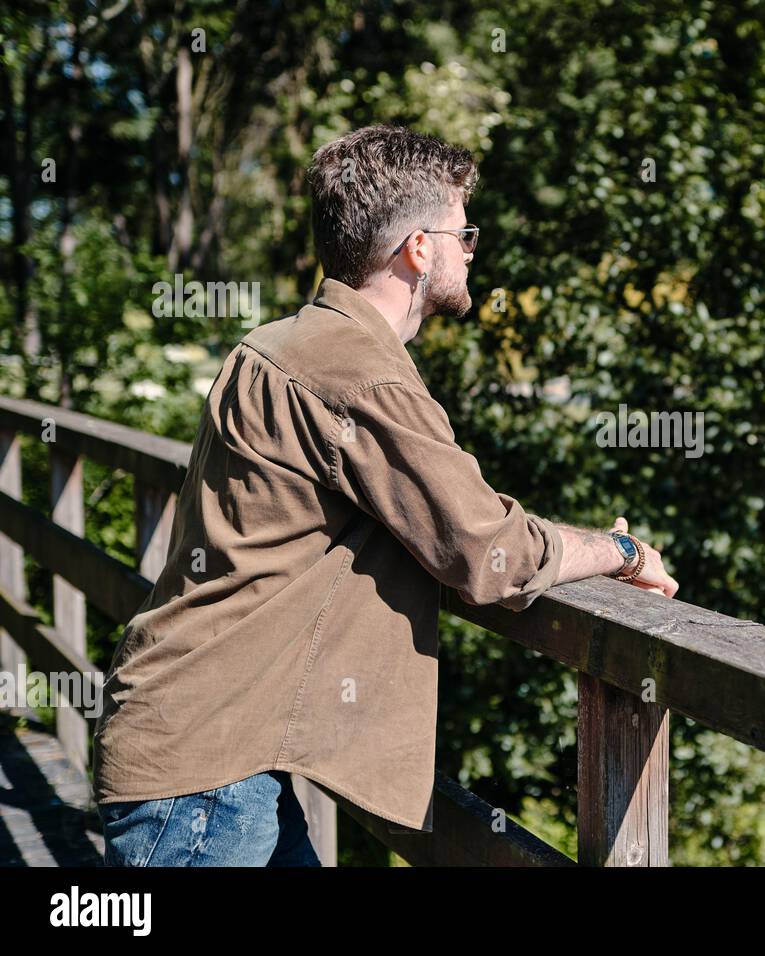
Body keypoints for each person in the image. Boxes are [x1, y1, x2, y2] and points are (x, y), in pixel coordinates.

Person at [93, 124, 678, 866]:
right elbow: (486, 552)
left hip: (207, 755)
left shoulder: (279, 344)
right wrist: (621, 552)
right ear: (418, 248)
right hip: (205, 785)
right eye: (464, 231)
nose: (473, 248)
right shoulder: (358, 371)